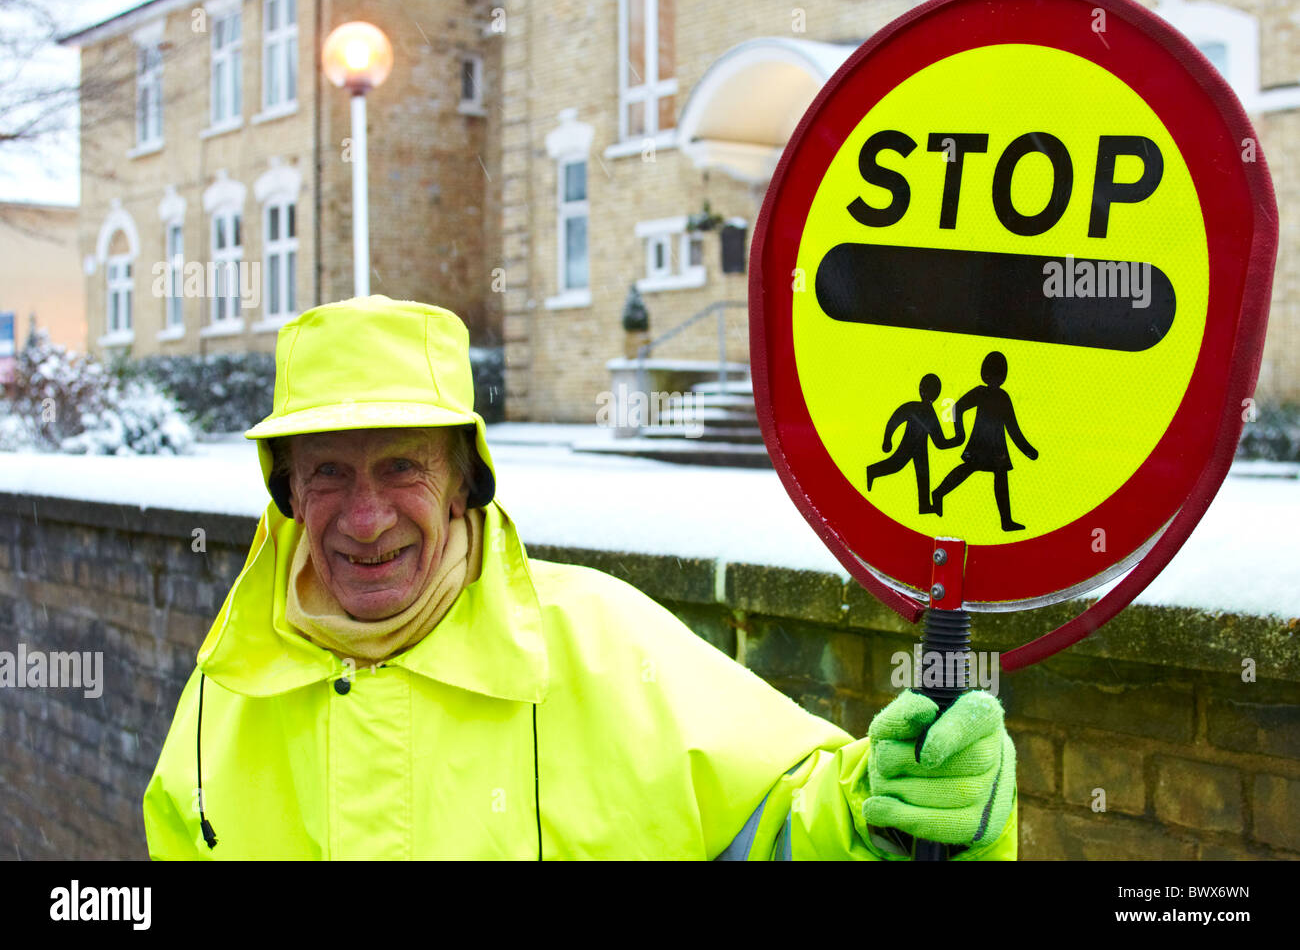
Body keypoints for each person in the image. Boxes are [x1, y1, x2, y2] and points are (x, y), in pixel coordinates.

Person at [142, 295, 1017, 860]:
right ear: (287, 491)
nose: (366, 519)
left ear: (462, 484)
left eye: (402, 467)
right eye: (329, 472)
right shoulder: (224, 700)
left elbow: (792, 821)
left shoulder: (602, 640)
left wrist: (901, 807)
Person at [931, 351, 1038, 531]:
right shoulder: (981, 393)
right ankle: (938, 493)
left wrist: (1027, 449)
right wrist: (960, 434)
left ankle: (1006, 521)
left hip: (996, 446)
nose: (995, 379)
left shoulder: (1003, 397)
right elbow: (957, 408)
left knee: (999, 476)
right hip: (982, 443)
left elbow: (1012, 427)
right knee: (968, 470)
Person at [867, 372, 964, 514]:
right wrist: (887, 439)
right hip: (909, 445)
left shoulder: (924, 411)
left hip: (920, 449)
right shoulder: (915, 408)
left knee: (923, 474)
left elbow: (939, 442)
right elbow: (895, 420)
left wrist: (957, 440)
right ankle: (872, 471)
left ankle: (924, 505)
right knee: (896, 465)